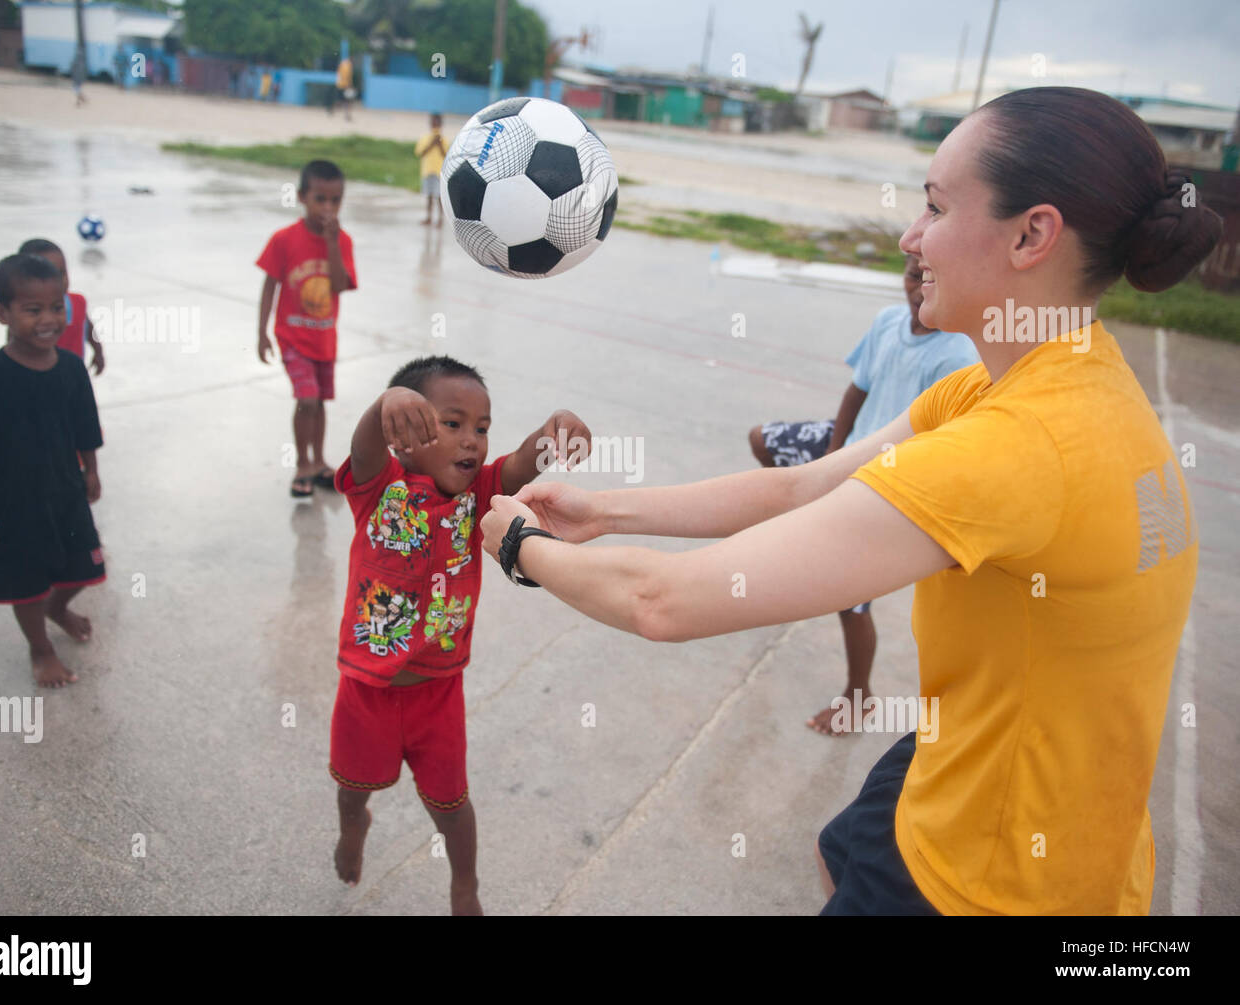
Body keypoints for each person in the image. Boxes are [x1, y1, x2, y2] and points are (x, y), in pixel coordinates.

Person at [478, 86, 1222, 915]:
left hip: (999, 881)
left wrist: (520, 547)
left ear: (1032, 233)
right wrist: (608, 511)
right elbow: (802, 484)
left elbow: (665, 601)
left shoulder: (1017, 449)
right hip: (1004, 764)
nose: (911, 237)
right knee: (846, 844)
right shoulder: (1048, 381)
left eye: (936, 208)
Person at [329, 355, 590, 914]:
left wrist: (552, 432)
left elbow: (522, 463)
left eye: (481, 427)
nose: (471, 440)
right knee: (353, 788)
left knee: (452, 806)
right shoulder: (379, 488)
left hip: (437, 692)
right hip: (367, 688)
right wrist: (384, 403)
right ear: (404, 434)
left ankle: (464, 882)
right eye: (452, 424)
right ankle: (354, 828)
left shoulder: (477, 499)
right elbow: (364, 448)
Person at [750, 253, 975, 735]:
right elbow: (856, 392)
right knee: (761, 439)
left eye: (931, 281)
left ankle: (859, 696)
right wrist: (830, 461)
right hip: (853, 445)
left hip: (895, 477)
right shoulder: (887, 322)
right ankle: (796, 533)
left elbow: (944, 446)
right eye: (914, 277)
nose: (918, 291)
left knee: (850, 602)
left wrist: (861, 494)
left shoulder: (956, 356)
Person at [0, 254, 105, 688]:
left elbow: (84, 423)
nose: (48, 319)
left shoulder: (71, 369)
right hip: (14, 499)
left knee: (87, 565)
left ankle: (59, 607)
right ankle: (41, 648)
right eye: (32, 310)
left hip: (65, 489)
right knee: (27, 581)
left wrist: (90, 469)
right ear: (2, 313)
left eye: (57, 307)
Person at [256, 159, 357, 497]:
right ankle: (302, 463)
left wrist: (331, 243)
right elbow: (270, 285)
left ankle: (318, 461)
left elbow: (340, 285)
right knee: (308, 400)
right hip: (292, 338)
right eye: (320, 199)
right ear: (302, 197)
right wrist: (262, 332)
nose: (327, 207)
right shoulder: (284, 240)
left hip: (324, 340)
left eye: (335, 200)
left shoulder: (342, 242)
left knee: (320, 403)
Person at [18, 239, 105, 375]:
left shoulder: (78, 301)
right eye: (45, 276)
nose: (57, 282)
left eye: (61, 273)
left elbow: (88, 327)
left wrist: (98, 352)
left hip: (75, 374)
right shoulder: (24, 315)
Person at [414, 113, 447, 227]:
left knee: (439, 197)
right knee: (429, 196)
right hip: (427, 171)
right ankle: (429, 217)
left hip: (438, 172)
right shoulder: (425, 138)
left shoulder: (443, 139)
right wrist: (432, 143)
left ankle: (440, 220)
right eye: (433, 123)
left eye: (437, 123)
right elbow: (420, 153)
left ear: (440, 125)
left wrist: (439, 144)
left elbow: (446, 155)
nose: (435, 125)